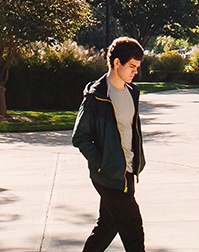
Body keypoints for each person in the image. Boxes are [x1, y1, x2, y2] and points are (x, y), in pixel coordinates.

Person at [72, 37, 146, 252]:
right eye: (131, 66)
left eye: (137, 67)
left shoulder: (132, 93)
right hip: (108, 175)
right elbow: (80, 136)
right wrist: (101, 163)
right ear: (116, 63)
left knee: (107, 226)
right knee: (133, 229)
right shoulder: (97, 97)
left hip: (127, 172)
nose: (135, 72)